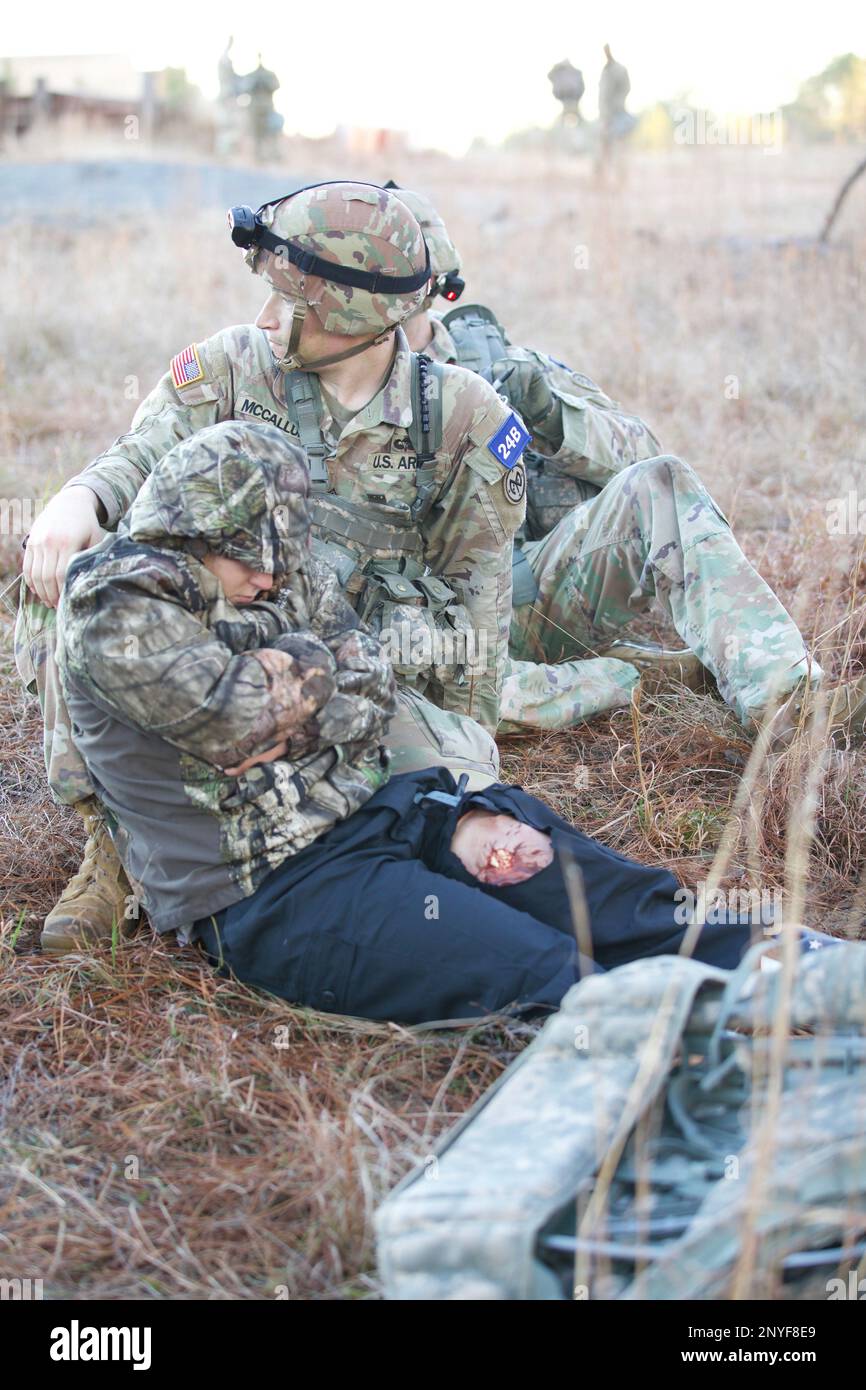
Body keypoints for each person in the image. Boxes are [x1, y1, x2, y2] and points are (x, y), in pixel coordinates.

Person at [55, 421, 763, 1024]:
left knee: (621, 907)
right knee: (547, 977)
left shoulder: (271, 563)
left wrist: (287, 693)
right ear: (189, 531)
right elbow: (235, 723)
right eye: (248, 558)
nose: (270, 580)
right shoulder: (113, 607)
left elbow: (371, 684)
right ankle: (727, 1090)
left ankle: (800, 971)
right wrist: (310, 669)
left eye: (276, 560)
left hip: (386, 810)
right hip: (274, 892)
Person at [16, 181, 528, 947]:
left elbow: (477, 616)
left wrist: (457, 749)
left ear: (355, 316)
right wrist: (79, 500)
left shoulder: (463, 419)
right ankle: (111, 847)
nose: (264, 318)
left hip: (349, 680)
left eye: (290, 304)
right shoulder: (230, 368)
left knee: (459, 791)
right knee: (83, 574)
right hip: (207, 647)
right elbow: (139, 457)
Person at [391, 183, 866, 741]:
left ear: (433, 277)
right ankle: (632, 675)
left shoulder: (494, 364)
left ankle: (787, 703)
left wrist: (552, 416)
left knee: (658, 484)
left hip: (532, 596)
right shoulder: (321, 388)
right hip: (425, 632)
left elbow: (644, 453)